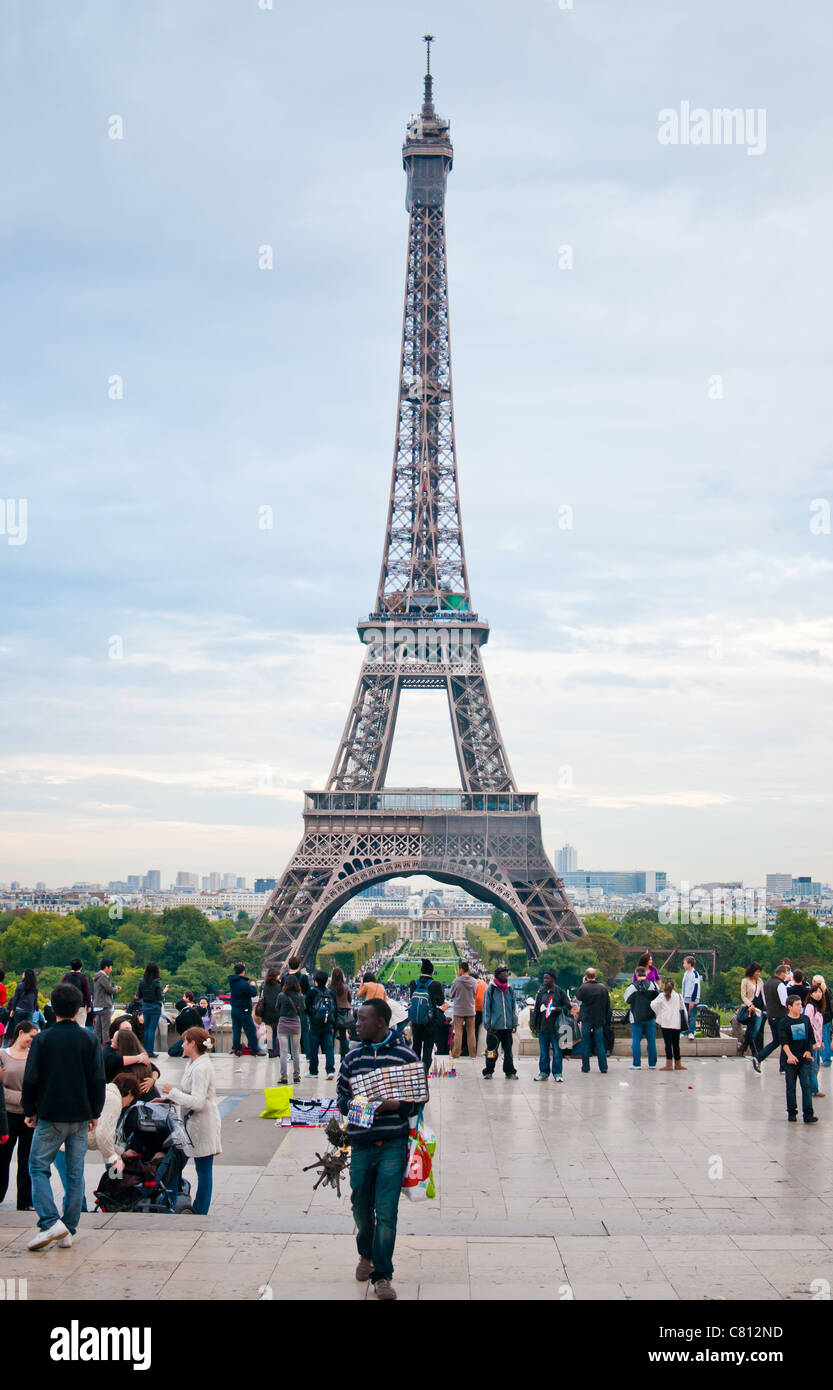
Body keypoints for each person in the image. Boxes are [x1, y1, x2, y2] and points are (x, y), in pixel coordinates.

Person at [336, 998, 422, 1301]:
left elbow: (418, 1100)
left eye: (361, 1019)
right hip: (361, 1141)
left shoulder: (404, 1055)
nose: (356, 1024)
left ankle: (382, 1274)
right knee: (360, 1205)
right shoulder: (352, 1057)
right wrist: (357, 1105)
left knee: (386, 1211)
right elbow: (341, 1098)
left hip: (392, 1143)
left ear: (381, 1023)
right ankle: (366, 1254)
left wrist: (392, 1105)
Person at [22, 983, 106, 1250]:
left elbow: (31, 1077)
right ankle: (68, 1228)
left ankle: (49, 1221)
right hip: (80, 1114)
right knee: (74, 1173)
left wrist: (29, 1109)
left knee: (37, 1166)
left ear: (53, 1008)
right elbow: (98, 1079)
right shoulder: (90, 1039)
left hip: (50, 1112)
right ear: (79, 1008)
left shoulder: (43, 1039)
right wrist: (95, 1112)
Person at [162, 1028, 222, 1214]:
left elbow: (197, 1102)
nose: (181, 1045)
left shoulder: (201, 1067)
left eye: (184, 1042)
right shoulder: (193, 1063)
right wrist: (170, 1098)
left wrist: (172, 1092)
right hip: (192, 1125)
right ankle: (182, 1202)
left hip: (202, 1125)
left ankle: (200, 1210)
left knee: (203, 1170)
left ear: (193, 1044)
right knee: (186, 1165)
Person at [0, 1021, 38, 1209]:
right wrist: (23, 1098)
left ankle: (25, 1201)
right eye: (30, 1036)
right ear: (20, 1033)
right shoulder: (3, 1055)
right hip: (6, 1115)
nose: (32, 1040)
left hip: (28, 1116)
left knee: (27, 1160)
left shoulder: (34, 1057)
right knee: (3, 1158)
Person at [778, 995, 818, 1124]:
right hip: (790, 1060)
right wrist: (789, 1055)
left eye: (801, 1004)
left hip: (803, 1059)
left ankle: (808, 1114)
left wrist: (808, 1051)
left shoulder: (805, 1019)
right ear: (789, 1007)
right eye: (797, 1004)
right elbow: (784, 1041)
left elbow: (810, 1037)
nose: (801, 1007)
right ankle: (792, 1112)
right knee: (791, 1087)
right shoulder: (784, 1022)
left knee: (806, 1085)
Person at [530, 970, 574, 1081]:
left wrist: (557, 1009)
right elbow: (536, 1010)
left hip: (556, 1028)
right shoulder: (541, 992)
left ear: (553, 979)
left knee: (557, 1053)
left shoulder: (559, 992)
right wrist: (534, 1025)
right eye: (544, 978)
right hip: (543, 1028)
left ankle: (557, 1073)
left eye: (548, 978)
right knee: (544, 1053)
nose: (545, 980)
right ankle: (543, 1072)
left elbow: (567, 1007)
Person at [408, 959, 446, 1075]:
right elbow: (440, 1002)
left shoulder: (413, 983)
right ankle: (425, 1071)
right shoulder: (435, 984)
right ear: (432, 972)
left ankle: (415, 1070)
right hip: (430, 1020)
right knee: (428, 1047)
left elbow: (411, 999)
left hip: (416, 1020)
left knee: (416, 1045)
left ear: (421, 970)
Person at [482, 966, 518, 1079]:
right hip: (494, 1027)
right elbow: (486, 1007)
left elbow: (513, 1007)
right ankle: (488, 1071)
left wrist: (514, 1023)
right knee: (491, 1051)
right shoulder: (491, 989)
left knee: (508, 1052)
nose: (506, 975)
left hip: (507, 1026)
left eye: (507, 973)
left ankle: (510, 1071)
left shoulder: (509, 989)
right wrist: (488, 1024)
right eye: (503, 973)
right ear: (497, 975)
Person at [576, 968, 611, 1075]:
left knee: (585, 1042)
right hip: (599, 1019)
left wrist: (583, 983)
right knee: (600, 1043)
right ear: (596, 976)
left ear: (586, 976)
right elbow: (607, 1004)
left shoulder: (584, 987)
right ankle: (603, 1067)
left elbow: (578, 998)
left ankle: (585, 1067)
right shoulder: (602, 988)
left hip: (586, 1018)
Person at [624, 966, 660, 1070]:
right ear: (646, 974)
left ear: (636, 974)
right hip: (650, 1017)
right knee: (651, 1041)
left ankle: (636, 1064)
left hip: (636, 1017)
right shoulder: (653, 985)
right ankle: (652, 1063)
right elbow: (658, 999)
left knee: (636, 1041)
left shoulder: (631, 987)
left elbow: (627, 1000)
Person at [228, 962, 267, 1057]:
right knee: (251, 1029)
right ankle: (255, 1049)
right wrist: (253, 985)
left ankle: (236, 1048)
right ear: (243, 971)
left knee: (236, 1029)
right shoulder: (243, 984)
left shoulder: (233, 982)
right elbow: (253, 993)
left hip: (234, 1009)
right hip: (244, 1010)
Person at [651, 977, 688, 1070]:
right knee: (676, 1044)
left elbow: (653, 1004)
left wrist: (659, 1014)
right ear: (673, 986)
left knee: (668, 1044)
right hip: (676, 1023)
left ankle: (669, 1064)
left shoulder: (661, 996)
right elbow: (683, 1009)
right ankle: (678, 1063)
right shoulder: (678, 996)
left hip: (666, 1023)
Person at [306, 970, 336, 1080]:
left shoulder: (312, 992)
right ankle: (330, 1070)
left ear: (316, 981)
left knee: (313, 1048)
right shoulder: (331, 993)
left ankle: (313, 1071)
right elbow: (335, 1009)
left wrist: (312, 1017)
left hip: (315, 1024)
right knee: (329, 1048)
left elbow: (306, 1007)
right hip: (327, 1024)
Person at [757, 965, 790, 1062]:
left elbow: (765, 1002)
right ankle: (783, 1067)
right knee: (785, 1041)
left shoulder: (766, 984)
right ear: (783, 973)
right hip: (781, 1016)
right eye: (786, 973)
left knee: (776, 1041)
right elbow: (785, 1002)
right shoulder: (780, 985)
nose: (786, 976)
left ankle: (759, 1057)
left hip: (771, 1016)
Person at [276, 976, 305, 1083]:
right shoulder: (300, 996)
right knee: (295, 1052)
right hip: (295, 1024)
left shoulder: (281, 995)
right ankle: (296, 1075)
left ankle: (283, 1076)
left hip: (283, 1023)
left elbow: (277, 1008)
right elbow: (302, 1009)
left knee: (283, 1052)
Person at [448, 961, 478, 1061]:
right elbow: (475, 993)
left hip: (459, 1010)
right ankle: (473, 1055)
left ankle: (456, 1054)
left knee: (458, 1033)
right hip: (470, 1009)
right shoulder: (474, 981)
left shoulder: (456, 981)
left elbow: (451, 994)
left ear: (461, 969)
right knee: (471, 1033)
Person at [136, 963, 167, 1058]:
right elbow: (159, 997)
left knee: (146, 1029)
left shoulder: (142, 981)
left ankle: (144, 1050)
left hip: (145, 1006)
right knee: (151, 1030)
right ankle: (150, 1051)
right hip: (155, 1007)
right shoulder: (157, 982)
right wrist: (164, 993)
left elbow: (139, 995)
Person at [282, 956, 311, 1057]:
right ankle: (306, 1055)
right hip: (301, 1009)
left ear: (289, 965)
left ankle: (292, 1055)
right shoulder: (303, 977)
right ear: (299, 965)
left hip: (289, 1010)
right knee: (304, 1033)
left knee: (290, 1033)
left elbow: (282, 994)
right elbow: (308, 994)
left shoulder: (284, 978)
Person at [739, 963, 765, 1072]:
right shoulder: (745, 981)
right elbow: (743, 996)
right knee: (752, 1029)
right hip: (750, 1007)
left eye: (759, 972)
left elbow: (763, 995)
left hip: (759, 1007)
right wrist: (750, 1004)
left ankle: (744, 1048)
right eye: (757, 971)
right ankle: (753, 1051)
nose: (758, 974)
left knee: (754, 1030)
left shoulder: (760, 981)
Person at [804, 983, 827, 1100]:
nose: (818, 994)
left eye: (820, 992)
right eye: (816, 992)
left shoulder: (818, 1008)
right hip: (812, 1043)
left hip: (817, 1042)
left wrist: (821, 1041)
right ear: (811, 994)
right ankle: (814, 1089)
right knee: (813, 1067)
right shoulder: (810, 1007)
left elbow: (819, 1027)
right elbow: (809, 1025)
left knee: (816, 1067)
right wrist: (813, 1042)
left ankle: (812, 1088)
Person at [6, 969, 38, 1044]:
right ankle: (26, 1045)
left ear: (25, 976)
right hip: (29, 1010)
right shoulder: (35, 988)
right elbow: (35, 1001)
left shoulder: (20, 985)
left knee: (18, 1028)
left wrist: (12, 1010)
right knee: (28, 1029)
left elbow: (15, 998)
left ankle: (17, 1043)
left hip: (19, 1009)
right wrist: (34, 1009)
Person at [168, 993, 205, 1057]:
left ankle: (186, 1052)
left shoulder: (179, 1018)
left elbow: (180, 1032)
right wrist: (193, 1005)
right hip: (200, 1036)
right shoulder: (195, 1010)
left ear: (178, 1009)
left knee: (172, 1051)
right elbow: (204, 1010)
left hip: (188, 1037)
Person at [91, 960, 120, 1044]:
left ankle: (95, 1047)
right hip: (104, 1005)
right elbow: (110, 990)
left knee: (97, 1029)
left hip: (98, 1005)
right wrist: (116, 989)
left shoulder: (97, 976)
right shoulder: (102, 977)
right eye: (111, 967)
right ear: (106, 967)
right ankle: (105, 1048)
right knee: (105, 1029)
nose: (111, 970)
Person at [61, 959, 93, 1027]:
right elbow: (87, 992)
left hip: (67, 1006)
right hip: (80, 1006)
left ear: (71, 966)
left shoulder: (66, 976)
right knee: (80, 1026)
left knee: (67, 1026)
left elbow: (60, 990)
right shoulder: (83, 978)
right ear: (81, 967)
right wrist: (89, 1005)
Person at [258, 968, 283, 1058]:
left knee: (269, 1033)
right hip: (277, 1012)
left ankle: (271, 1052)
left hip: (267, 1012)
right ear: (275, 976)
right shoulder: (279, 987)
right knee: (277, 1034)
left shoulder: (264, 986)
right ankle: (278, 1051)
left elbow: (261, 998)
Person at [330, 967, 353, 1058]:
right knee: (343, 1035)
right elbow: (349, 999)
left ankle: (330, 1056)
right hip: (344, 1012)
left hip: (334, 1012)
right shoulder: (346, 987)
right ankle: (343, 1056)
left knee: (331, 1035)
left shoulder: (330, 988)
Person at [813, 975, 833, 1069]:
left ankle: (826, 1060)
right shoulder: (827, 990)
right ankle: (828, 1058)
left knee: (824, 1039)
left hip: (824, 1018)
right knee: (828, 1039)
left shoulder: (820, 992)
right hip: (829, 1017)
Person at [680, 957, 701, 1038]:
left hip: (692, 998)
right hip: (685, 998)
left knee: (692, 1016)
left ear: (689, 964)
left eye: (684, 963)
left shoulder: (695, 974)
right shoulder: (686, 973)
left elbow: (696, 987)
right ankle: (685, 1031)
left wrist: (693, 1000)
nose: (683, 965)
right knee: (685, 1015)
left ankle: (691, 1032)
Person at [474, 973, 486, 1049]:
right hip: (483, 1010)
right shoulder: (483, 984)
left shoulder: (478, 985)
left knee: (475, 1030)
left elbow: (478, 999)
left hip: (478, 1010)